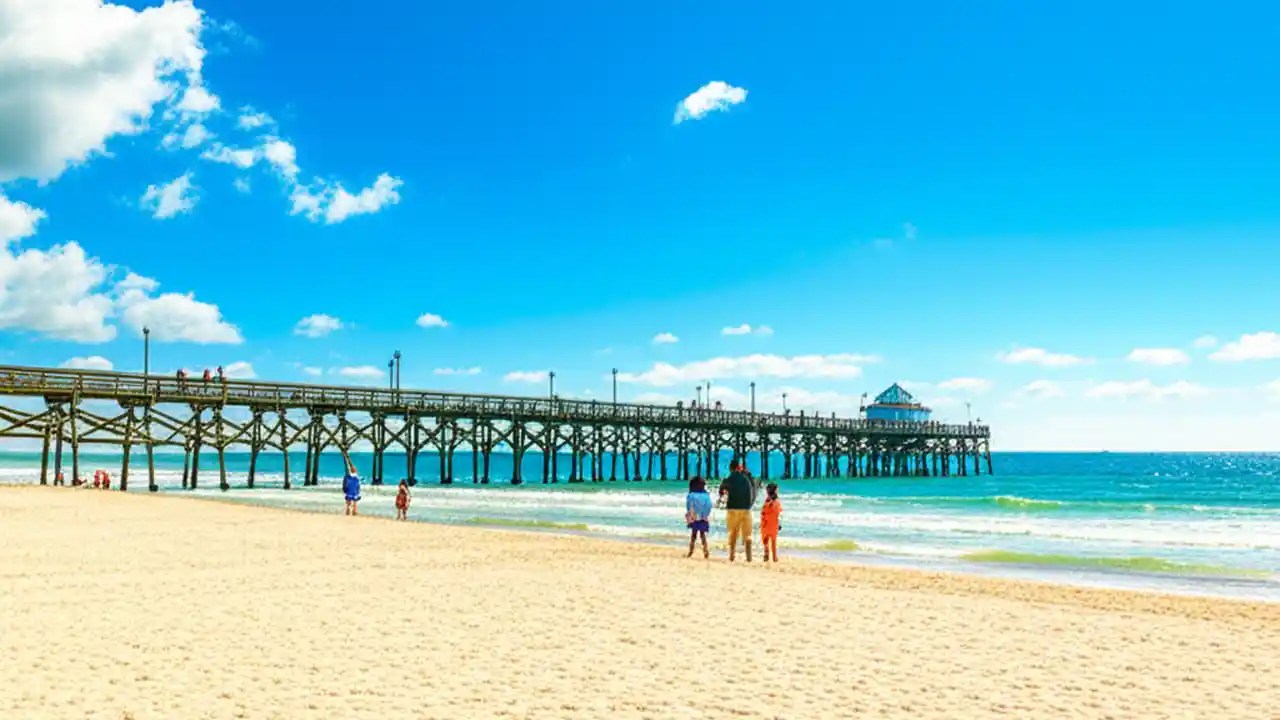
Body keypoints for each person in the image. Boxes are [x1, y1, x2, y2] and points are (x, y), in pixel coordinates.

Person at [722, 458, 757, 562]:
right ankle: (749, 558)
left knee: (733, 533)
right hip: (746, 509)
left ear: (730, 468)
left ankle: (732, 557)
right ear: (740, 467)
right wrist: (750, 504)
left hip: (732, 509)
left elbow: (722, 491)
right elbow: (753, 491)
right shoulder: (747, 478)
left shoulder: (728, 479)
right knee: (748, 536)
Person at [685, 476, 712, 559]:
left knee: (693, 535)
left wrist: (690, 516)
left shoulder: (691, 495)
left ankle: (691, 551)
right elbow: (709, 506)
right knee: (702, 535)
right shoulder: (706, 495)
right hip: (703, 517)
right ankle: (706, 551)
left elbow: (689, 506)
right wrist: (705, 515)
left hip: (694, 517)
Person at [760, 483, 782, 563]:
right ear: (775, 491)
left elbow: (763, 513)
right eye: (777, 489)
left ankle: (766, 554)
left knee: (765, 540)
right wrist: (779, 524)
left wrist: (762, 522)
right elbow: (778, 514)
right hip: (774, 523)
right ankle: (774, 557)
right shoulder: (776, 502)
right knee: (773, 541)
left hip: (765, 524)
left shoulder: (767, 501)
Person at [341, 450, 361, 516]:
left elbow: (345, 483)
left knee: (348, 502)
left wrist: (344, 489)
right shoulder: (356, 477)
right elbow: (358, 485)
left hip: (349, 490)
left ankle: (348, 511)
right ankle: (354, 512)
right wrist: (358, 490)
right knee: (354, 502)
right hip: (354, 491)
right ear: (355, 470)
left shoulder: (348, 476)